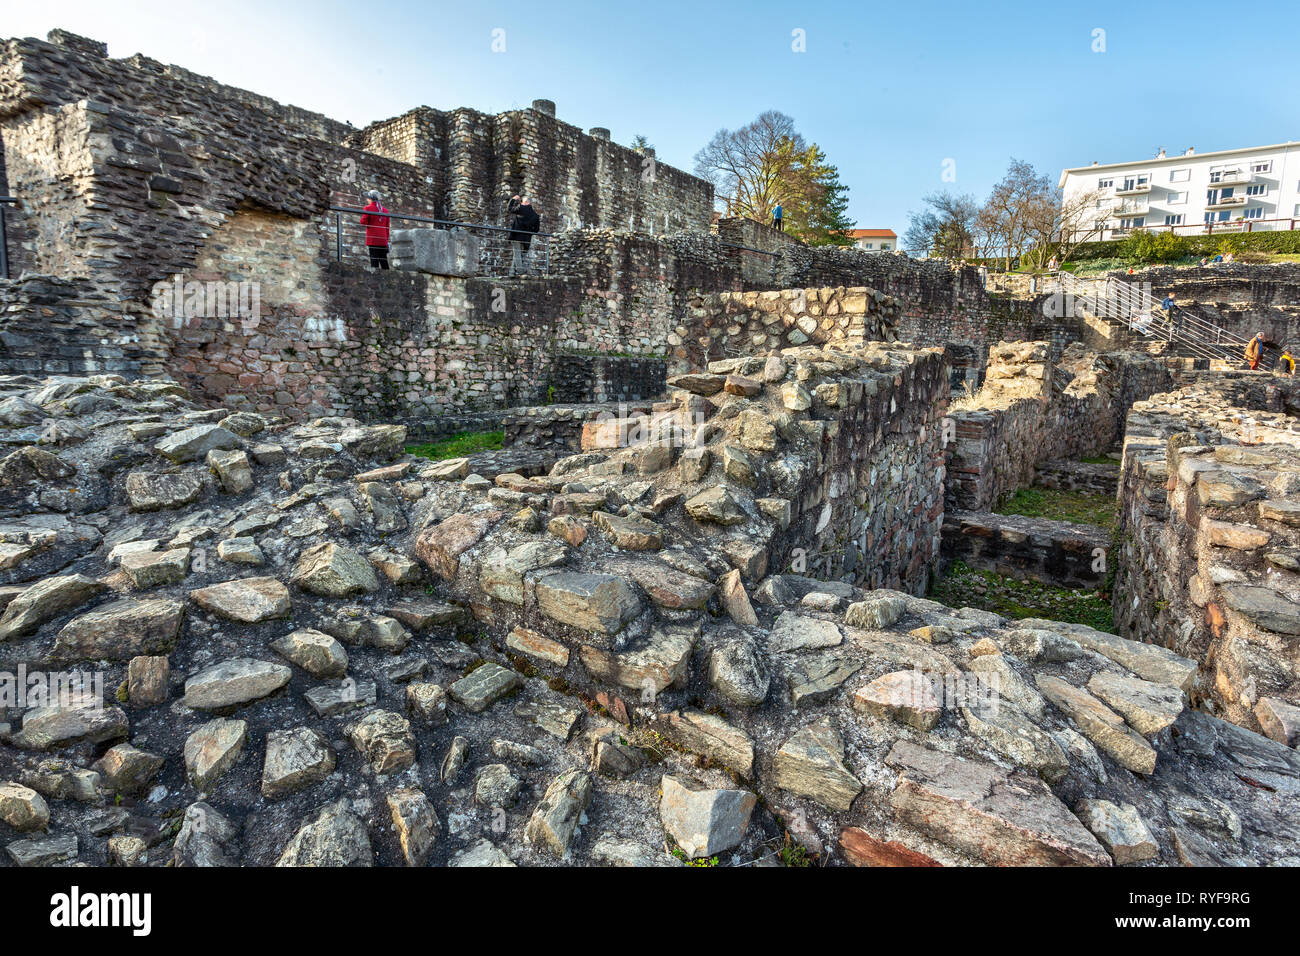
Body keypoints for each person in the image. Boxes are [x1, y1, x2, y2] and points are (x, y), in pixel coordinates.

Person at [507, 195, 541, 274]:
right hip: (526, 238)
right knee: (518, 255)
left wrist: (513, 200)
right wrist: (529, 231)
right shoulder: (535, 216)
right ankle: (511, 272)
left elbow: (509, 209)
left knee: (517, 254)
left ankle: (520, 271)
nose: (521, 203)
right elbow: (536, 230)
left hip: (516, 236)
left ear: (526, 202)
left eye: (522, 202)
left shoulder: (520, 208)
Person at [360, 190, 391, 269]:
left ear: (370, 199)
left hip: (373, 239)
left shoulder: (368, 208)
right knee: (384, 262)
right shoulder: (385, 211)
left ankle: (375, 279)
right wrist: (386, 241)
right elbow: (387, 228)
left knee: (374, 262)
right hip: (383, 240)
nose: (367, 199)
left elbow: (363, 222)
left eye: (368, 198)